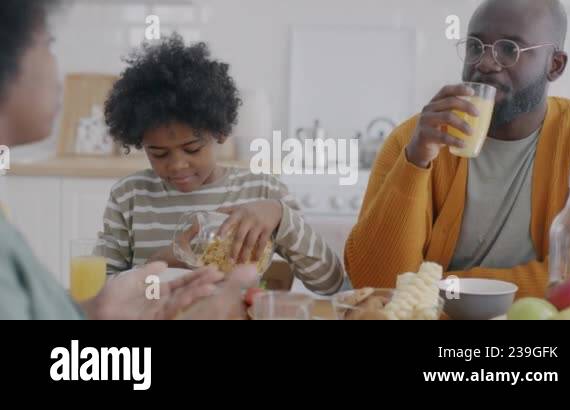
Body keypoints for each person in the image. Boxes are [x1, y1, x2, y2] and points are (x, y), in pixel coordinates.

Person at [0, 0, 254, 320]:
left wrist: (94, 313)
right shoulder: (130, 195)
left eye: (191, 148)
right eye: (47, 44)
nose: (57, 66)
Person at [345, 0, 570, 297]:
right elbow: (375, 283)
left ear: (555, 65)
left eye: (509, 49)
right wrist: (416, 161)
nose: (484, 63)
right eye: (475, 46)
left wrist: (435, 291)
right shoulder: (412, 140)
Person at [99, 34, 346, 296]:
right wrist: (160, 263)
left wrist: (281, 217)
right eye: (159, 153)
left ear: (220, 133)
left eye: (192, 148)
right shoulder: (130, 197)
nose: (177, 165)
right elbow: (99, 290)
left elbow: (330, 282)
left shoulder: (262, 191)